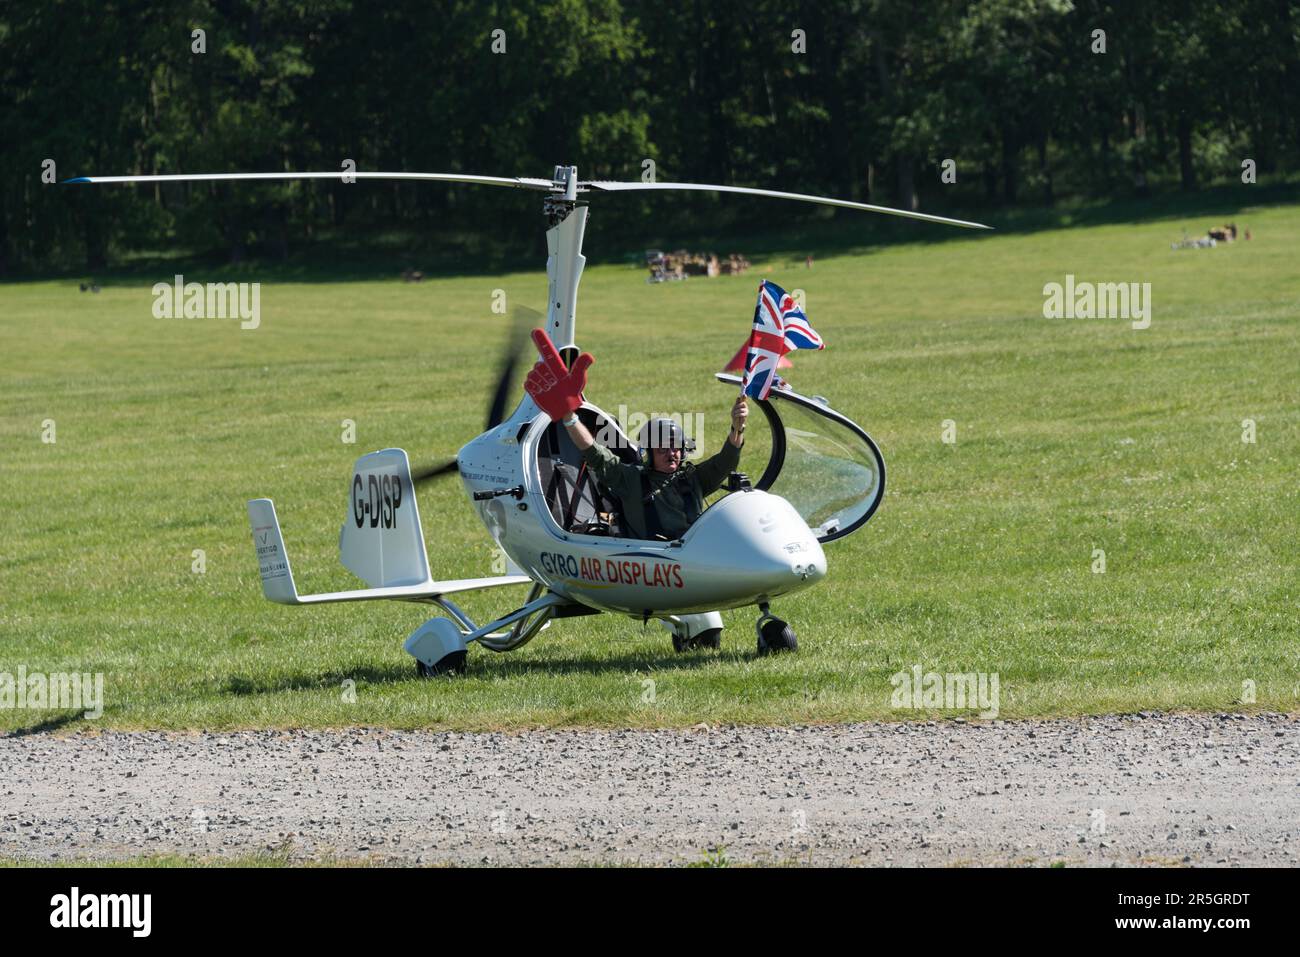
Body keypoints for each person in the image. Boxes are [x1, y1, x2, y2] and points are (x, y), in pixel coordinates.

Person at [524, 329, 748, 540]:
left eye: (676, 447)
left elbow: (725, 462)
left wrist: (738, 427)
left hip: (693, 558)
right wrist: (569, 417)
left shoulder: (693, 478)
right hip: (652, 560)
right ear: (648, 452)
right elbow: (594, 452)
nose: (672, 453)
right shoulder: (630, 480)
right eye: (663, 448)